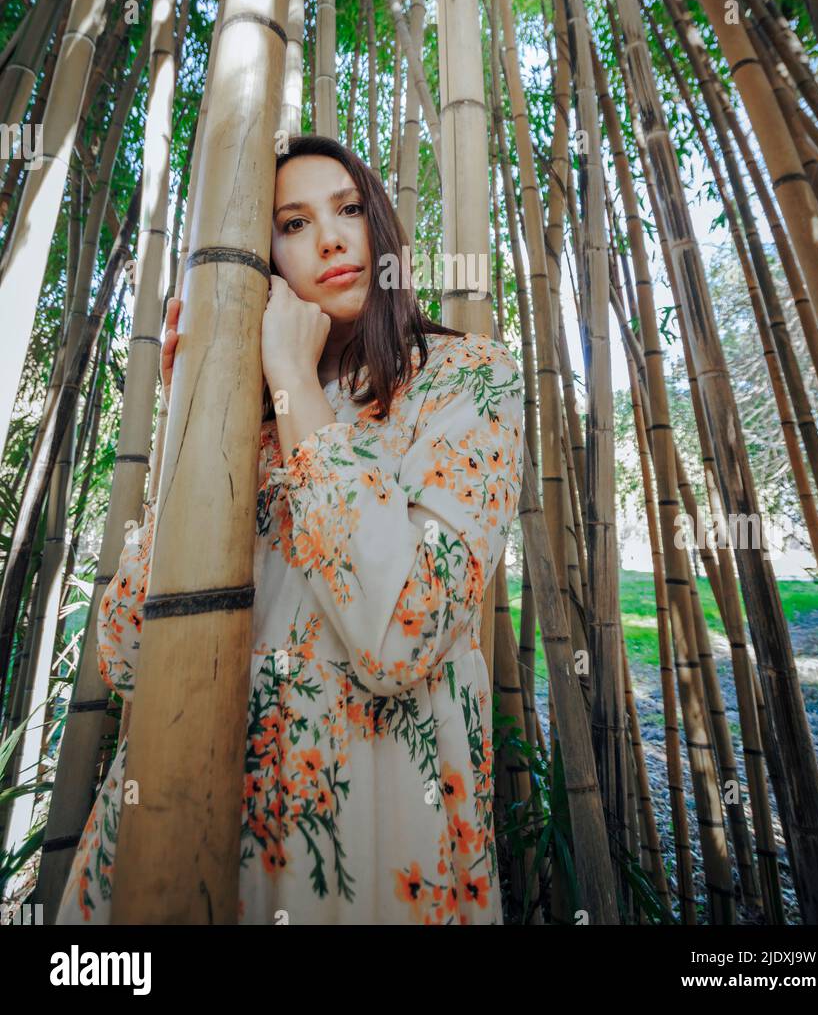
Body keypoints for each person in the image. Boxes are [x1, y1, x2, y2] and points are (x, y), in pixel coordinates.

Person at [55, 134, 525, 925]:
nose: (332, 238)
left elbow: (402, 637)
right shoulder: (246, 423)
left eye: (347, 210)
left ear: (381, 229)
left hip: (374, 844)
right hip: (192, 826)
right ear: (261, 260)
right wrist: (194, 417)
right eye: (293, 224)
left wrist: (294, 383)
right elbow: (130, 653)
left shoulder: (468, 379)